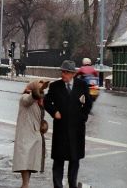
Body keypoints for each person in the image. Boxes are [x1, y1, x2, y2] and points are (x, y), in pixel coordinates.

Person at [43, 60, 92, 188]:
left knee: (74, 160)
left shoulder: (82, 85)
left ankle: (72, 185)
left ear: (72, 73)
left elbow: (88, 103)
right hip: (61, 129)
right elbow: (46, 101)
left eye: (65, 72)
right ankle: (58, 185)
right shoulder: (55, 86)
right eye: (62, 71)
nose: (63, 74)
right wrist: (54, 112)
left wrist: (83, 117)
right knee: (58, 161)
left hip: (77, 129)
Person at [12, 80, 49, 188]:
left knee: (30, 163)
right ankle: (25, 185)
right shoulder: (25, 97)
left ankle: (26, 184)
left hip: (35, 135)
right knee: (25, 161)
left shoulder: (39, 101)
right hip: (26, 135)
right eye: (41, 89)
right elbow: (30, 98)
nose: (43, 92)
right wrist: (39, 91)